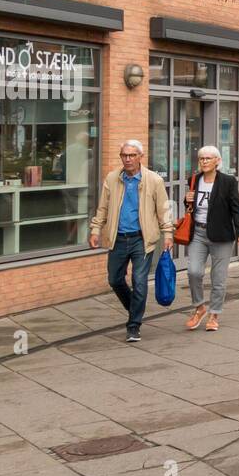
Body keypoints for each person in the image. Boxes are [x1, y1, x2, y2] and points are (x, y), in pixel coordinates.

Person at [90, 140, 173, 342]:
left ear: (140, 157)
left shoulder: (153, 180)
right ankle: (135, 308)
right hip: (117, 238)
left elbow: (164, 209)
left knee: (139, 281)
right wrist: (95, 229)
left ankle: (133, 325)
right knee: (114, 280)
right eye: (124, 155)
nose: (127, 159)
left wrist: (168, 234)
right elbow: (103, 208)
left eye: (132, 155)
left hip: (141, 239)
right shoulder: (112, 179)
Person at [182, 146, 239, 332]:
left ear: (217, 161)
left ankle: (214, 314)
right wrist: (186, 199)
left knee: (218, 278)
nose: (204, 161)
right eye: (201, 158)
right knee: (194, 272)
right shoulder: (194, 180)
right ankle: (200, 307)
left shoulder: (228, 182)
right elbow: (190, 206)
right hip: (198, 233)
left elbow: (236, 208)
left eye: (208, 158)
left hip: (221, 236)